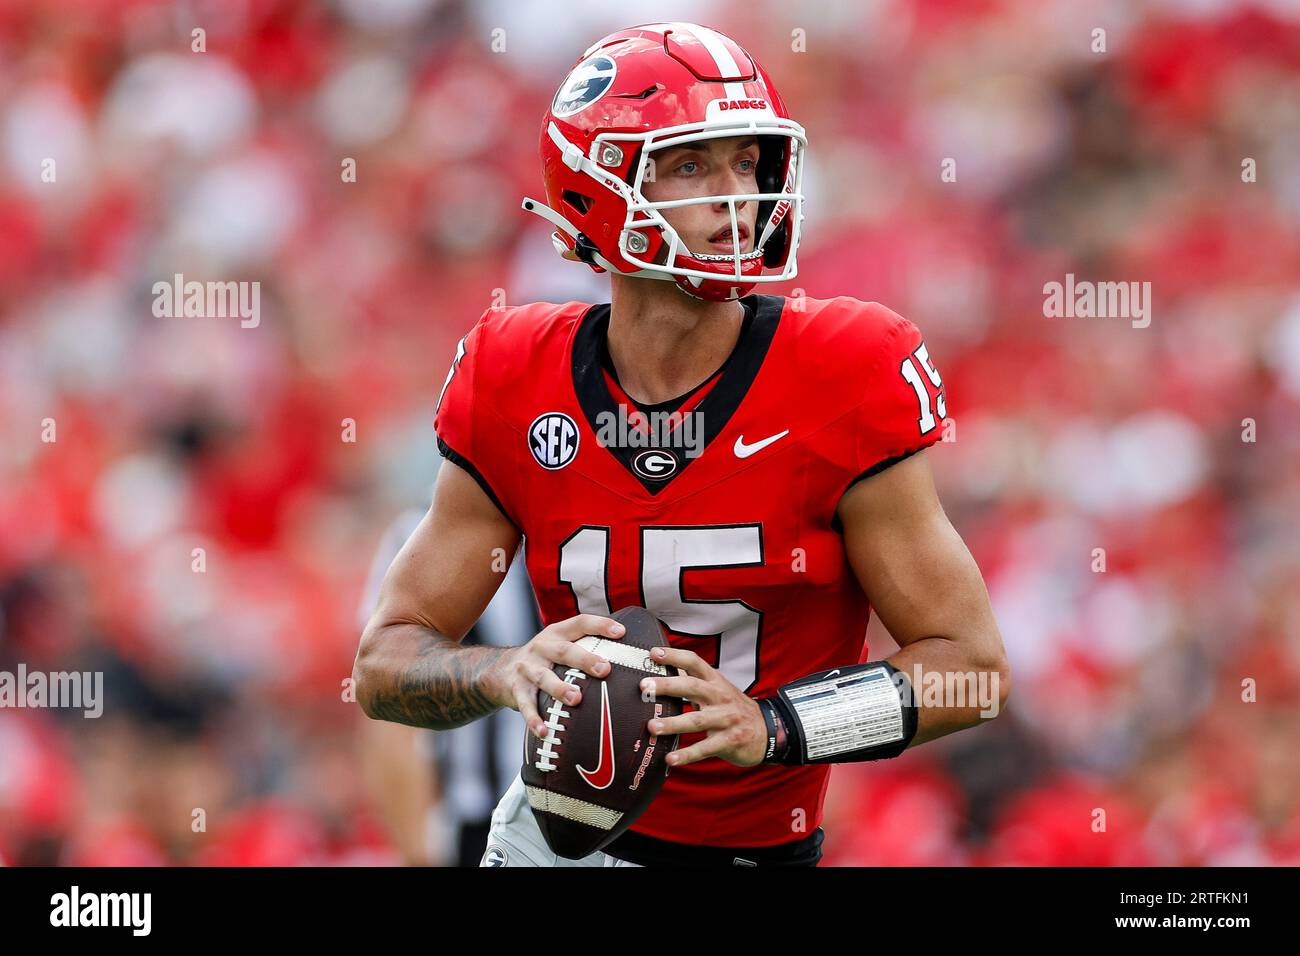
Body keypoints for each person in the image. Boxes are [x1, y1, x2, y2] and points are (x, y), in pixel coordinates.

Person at [353, 21, 1010, 867]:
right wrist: (504, 671)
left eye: (748, 162)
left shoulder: (843, 372)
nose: (736, 196)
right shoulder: (514, 372)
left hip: (752, 852)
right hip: (555, 845)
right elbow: (385, 661)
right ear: (597, 187)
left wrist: (777, 725)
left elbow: (974, 671)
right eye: (694, 165)